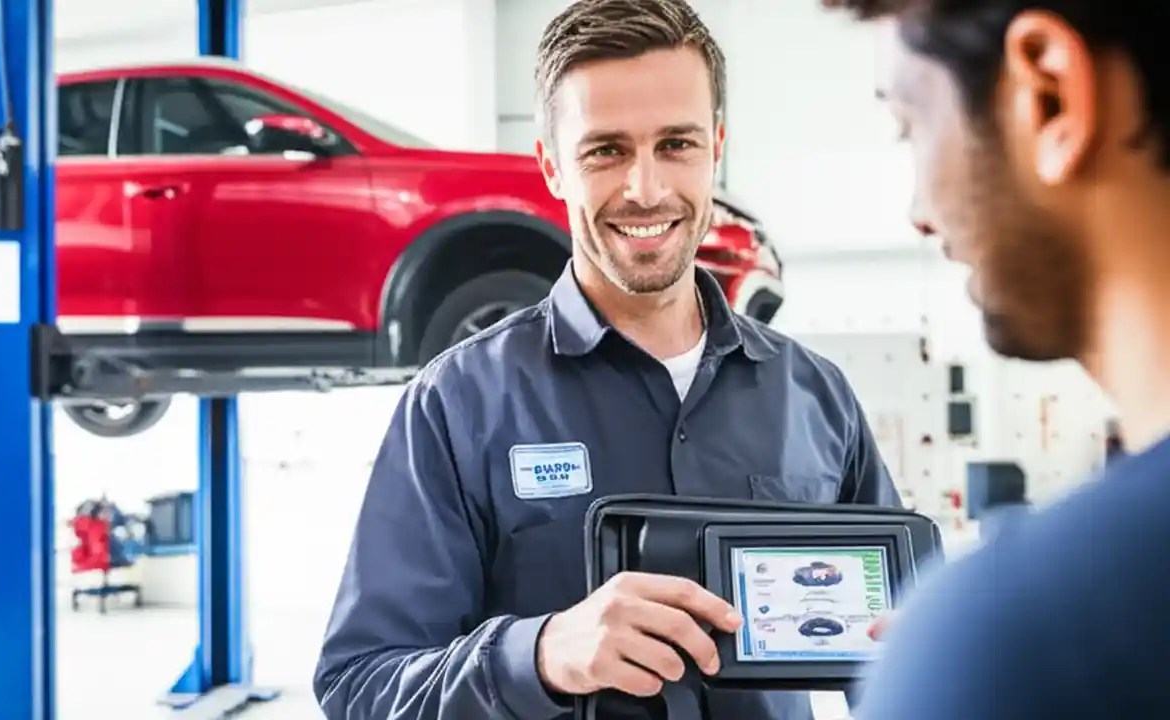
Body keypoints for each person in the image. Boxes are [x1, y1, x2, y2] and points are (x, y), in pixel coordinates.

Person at [313, 1, 901, 718]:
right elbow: (361, 686)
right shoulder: (458, 404)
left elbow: (896, 660)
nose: (646, 189)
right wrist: (540, 655)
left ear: (716, 147)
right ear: (552, 166)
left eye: (676, 145)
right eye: (606, 150)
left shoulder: (816, 397)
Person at [817, 1, 1170, 718]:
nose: (919, 210)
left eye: (910, 125)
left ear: (1048, 95)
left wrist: (948, 653)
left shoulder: (1017, 644)